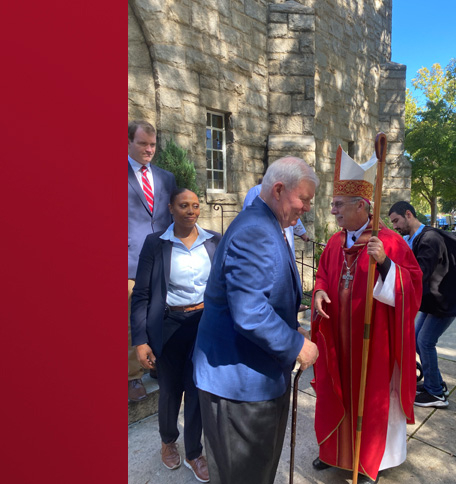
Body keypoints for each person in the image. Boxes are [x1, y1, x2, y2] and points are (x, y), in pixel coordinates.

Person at [192, 156, 320, 484]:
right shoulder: (256, 231)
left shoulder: (267, 224)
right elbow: (250, 311)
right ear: (278, 190)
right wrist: (296, 345)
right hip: (239, 386)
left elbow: (263, 294)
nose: (307, 208)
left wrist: (292, 327)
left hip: (253, 377)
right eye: (304, 199)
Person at [310, 150, 422, 483]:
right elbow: (322, 275)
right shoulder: (334, 243)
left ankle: (372, 459)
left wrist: (386, 263)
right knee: (335, 390)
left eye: (338, 204)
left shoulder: (389, 242)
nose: (333, 211)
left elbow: (413, 287)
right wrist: (319, 291)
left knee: (371, 399)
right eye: (333, 204)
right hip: (338, 341)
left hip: (374, 345)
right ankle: (334, 451)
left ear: (361, 205)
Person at [131, 189, 220, 482]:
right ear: (171, 208)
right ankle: (168, 441)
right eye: (184, 205)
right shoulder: (156, 243)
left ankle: (194, 452)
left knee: (197, 388)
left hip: (204, 324)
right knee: (170, 390)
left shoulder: (214, 241)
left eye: (195, 205)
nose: (191, 211)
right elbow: (141, 294)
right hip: (169, 325)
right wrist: (141, 341)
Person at [388, 201, 456, 407]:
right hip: (435, 301)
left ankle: (435, 394)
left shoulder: (429, 239)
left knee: (425, 341)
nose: (395, 226)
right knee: (417, 339)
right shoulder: (415, 238)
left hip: (446, 301)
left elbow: (420, 274)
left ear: (408, 214)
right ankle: (435, 384)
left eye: (396, 221)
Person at [128, 120, 177, 402]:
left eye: (153, 144)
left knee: (160, 312)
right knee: (131, 318)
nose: (149, 149)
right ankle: (132, 376)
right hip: (130, 259)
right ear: (128, 143)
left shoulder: (166, 178)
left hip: (161, 257)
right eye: (143, 144)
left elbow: (172, 216)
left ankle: (157, 361)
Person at [244, 177, 310, 248]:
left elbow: (292, 214)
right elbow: (249, 213)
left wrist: (302, 233)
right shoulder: (257, 190)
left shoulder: (285, 192)